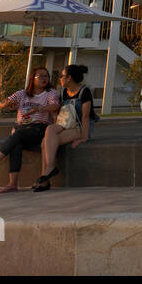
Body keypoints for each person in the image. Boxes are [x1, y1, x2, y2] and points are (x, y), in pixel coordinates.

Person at [0, 67, 61, 193]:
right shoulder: (22, 93)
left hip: (40, 128)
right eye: (40, 76)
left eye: (46, 76)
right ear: (33, 78)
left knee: (17, 134)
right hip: (22, 129)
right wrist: (7, 104)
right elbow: (0, 104)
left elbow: (55, 105)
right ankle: (12, 184)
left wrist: (39, 109)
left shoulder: (50, 93)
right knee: (16, 143)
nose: (44, 79)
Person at [33, 64, 97, 192]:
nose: (60, 78)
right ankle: (49, 169)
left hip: (80, 127)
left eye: (62, 76)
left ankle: (44, 179)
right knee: (50, 130)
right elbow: (62, 114)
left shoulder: (85, 91)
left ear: (69, 78)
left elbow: (85, 116)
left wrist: (84, 137)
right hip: (65, 124)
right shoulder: (64, 92)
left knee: (45, 143)